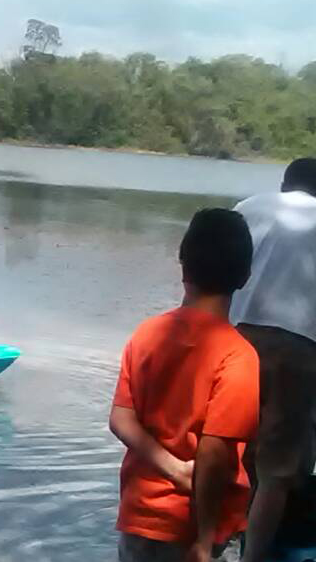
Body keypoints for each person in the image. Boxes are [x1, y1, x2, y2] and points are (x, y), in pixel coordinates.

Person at [109, 208, 259, 562]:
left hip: (139, 515)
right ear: (245, 276)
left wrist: (170, 467)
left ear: (182, 264)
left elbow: (120, 419)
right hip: (192, 524)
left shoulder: (148, 333)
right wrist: (206, 541)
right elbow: (214, 452)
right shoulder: (238, 356)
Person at [231, 158, 316, 562]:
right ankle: (253, 557)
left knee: (225, 449)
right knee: (277, 470)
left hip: (234, 338)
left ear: (284, 186)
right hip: (298, 348)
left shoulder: (249, 206)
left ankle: (206, 546)